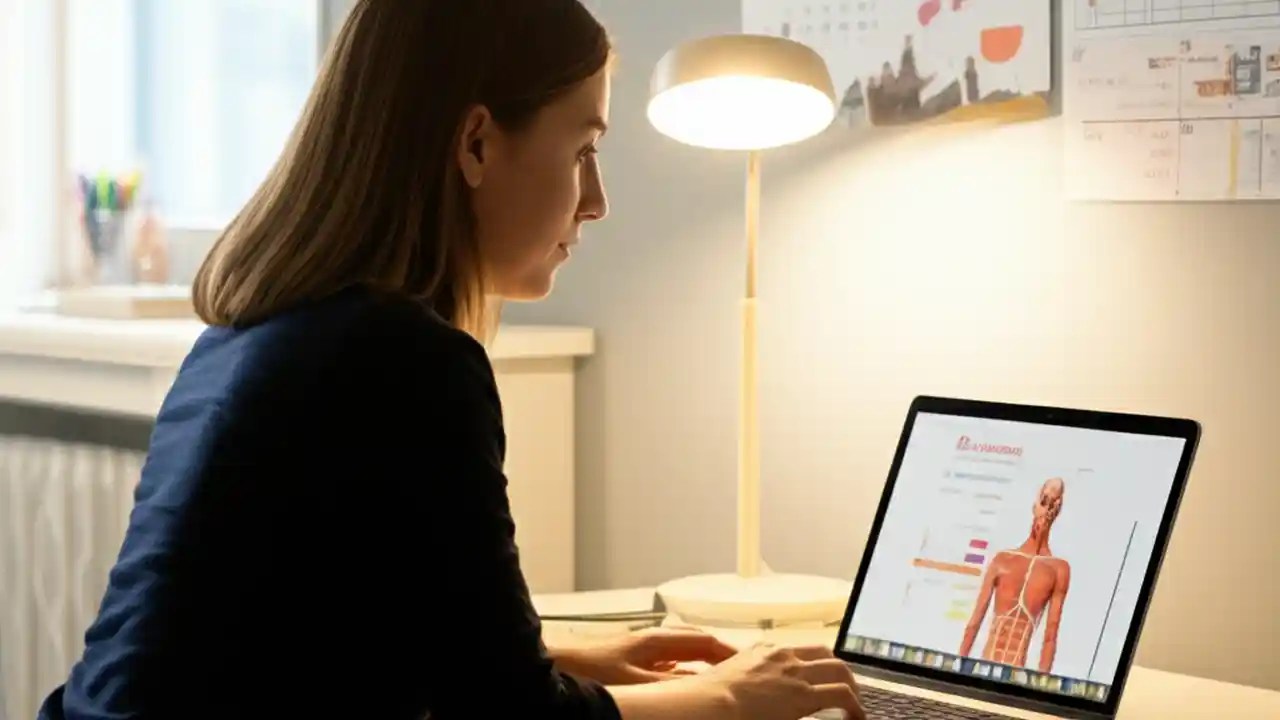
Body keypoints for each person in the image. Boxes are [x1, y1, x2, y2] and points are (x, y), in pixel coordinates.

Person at [37, 2, 865, 719]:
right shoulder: (408, 362)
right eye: (582, 149)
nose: (597, 200)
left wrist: (573, 655)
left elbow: (328, 640)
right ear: (475, 143)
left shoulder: (260, 333)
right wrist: (734, 695)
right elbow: (513, 719)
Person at [959, 478, 1072, 673]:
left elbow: (1050, 636)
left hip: (1011, 674)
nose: (1047, 509)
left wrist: (1040, 688)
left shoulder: (1058, 569)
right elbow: (974, 623)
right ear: (1035, 502)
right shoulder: (1003, 559)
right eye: (1045, 500)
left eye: (1053, 503)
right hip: (986, 670)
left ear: (1059, 508)